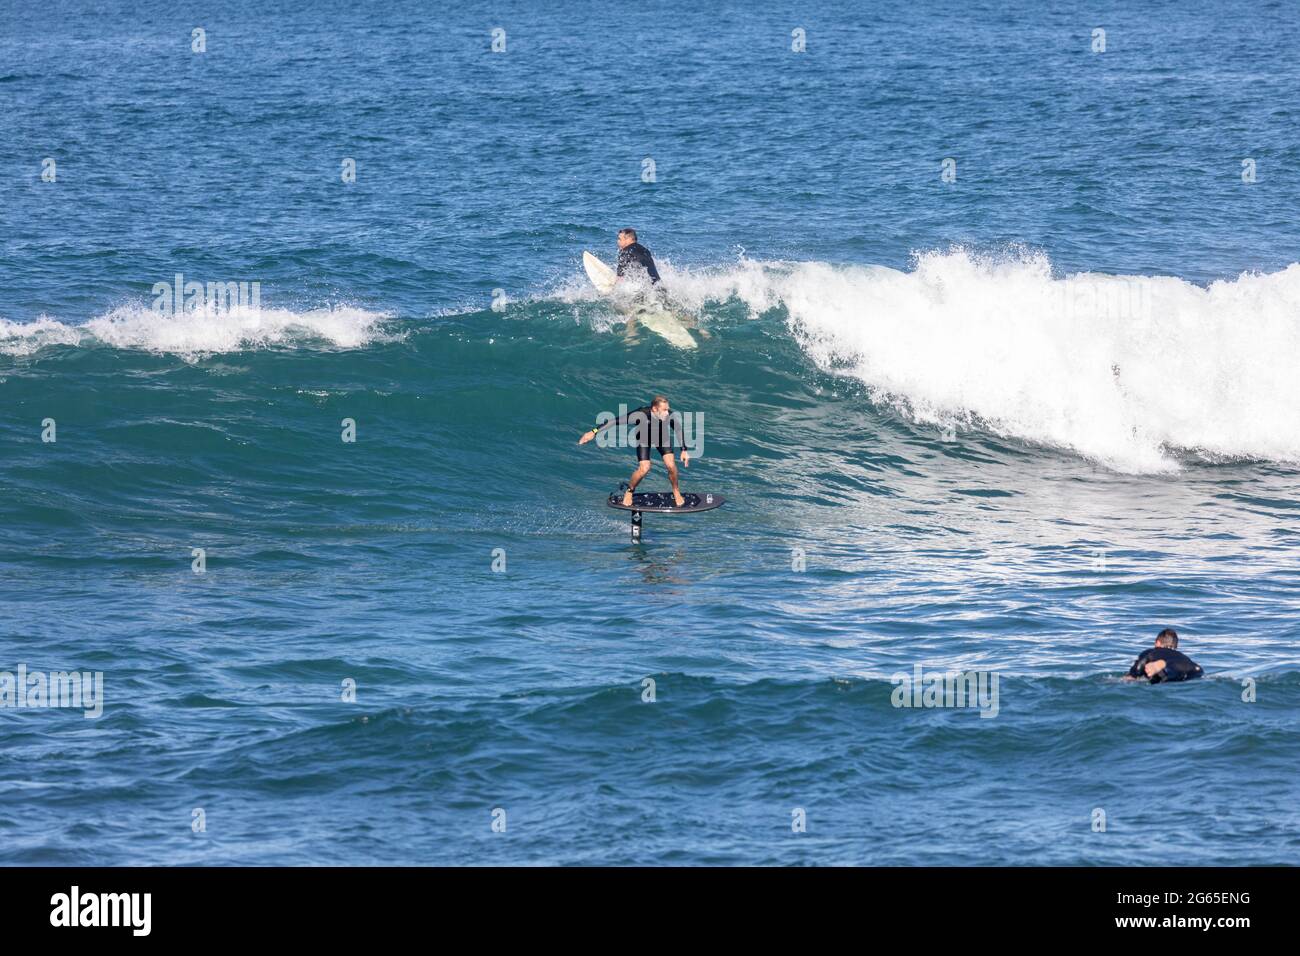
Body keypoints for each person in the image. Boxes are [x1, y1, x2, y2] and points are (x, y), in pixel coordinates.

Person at [578, 395, 689, 507]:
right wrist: (593, 432)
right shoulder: (640, 415)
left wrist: (684, 450)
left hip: (661, 437)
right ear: (655, 409)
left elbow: (678, 430)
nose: (667, 412)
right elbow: (613, 421)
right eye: (664, 410)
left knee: (671, 465)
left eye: (667, 409)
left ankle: (675, 490)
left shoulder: (669, 415)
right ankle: (630, 490)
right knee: (644, 468)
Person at [1124, 628, 1204, 683]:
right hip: (1195, 669)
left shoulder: (1152, 652)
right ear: (1175, 646)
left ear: (1158, 642)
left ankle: (1162, 664)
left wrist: (1131, 676)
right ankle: (1163, 665)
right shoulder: (1183, 656)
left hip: (1168, 668)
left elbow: (1134, 674)